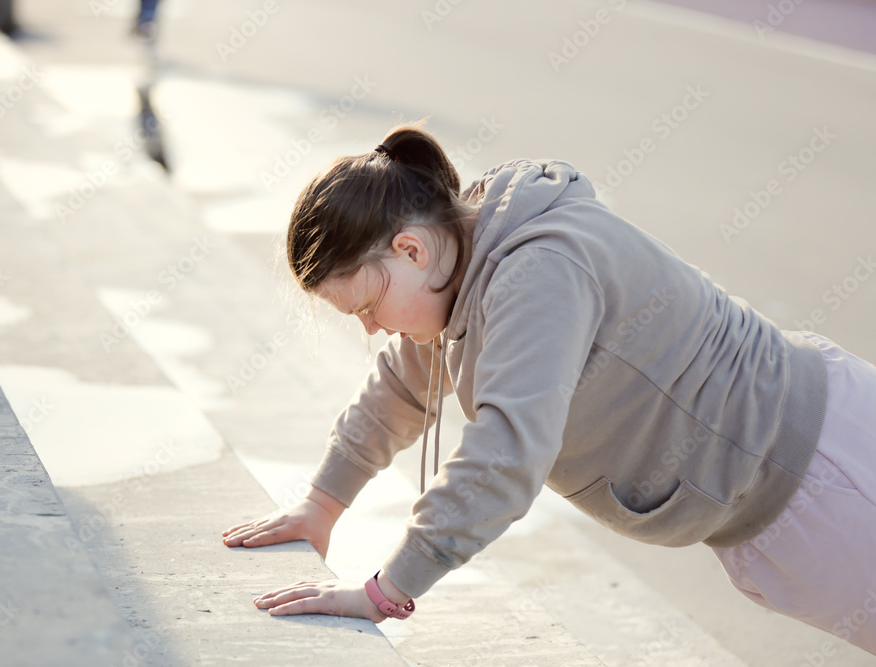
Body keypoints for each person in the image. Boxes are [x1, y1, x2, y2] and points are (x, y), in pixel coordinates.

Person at [222, 123, 876, 652]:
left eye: (366, 306)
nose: (370, 328)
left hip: (824, 477)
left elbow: (507, 454)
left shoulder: (536, 272)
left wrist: (388, 589)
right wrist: (322, 504)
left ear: (413, 250)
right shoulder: (463, 262)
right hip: (771, 512)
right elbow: (399, 386)